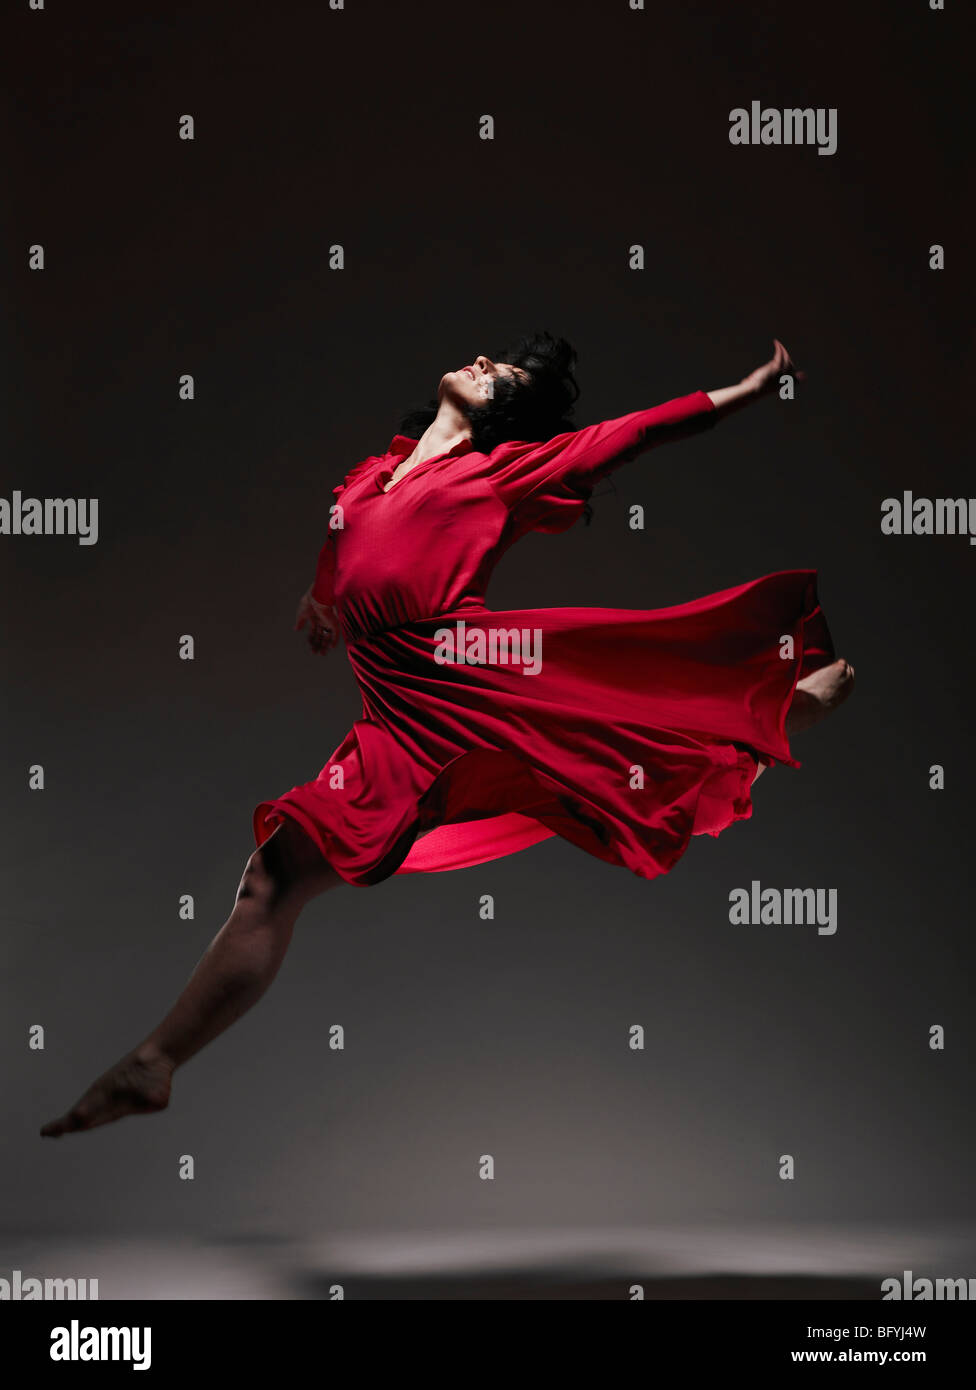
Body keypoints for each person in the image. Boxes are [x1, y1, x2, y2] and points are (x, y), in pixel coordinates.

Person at [40, 332, 853, 1137]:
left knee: (611, 740)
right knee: (272, 879)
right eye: (487, 357)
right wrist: (320, 598)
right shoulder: (368, 477)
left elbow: (632, 434)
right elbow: (342, 536)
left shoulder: (503, 474)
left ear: (505, 417)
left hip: (462, 676)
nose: (481, 362)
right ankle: (155, 1065)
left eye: (498, 374)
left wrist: (743, 392)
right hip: (396, 712)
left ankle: (766, 718)